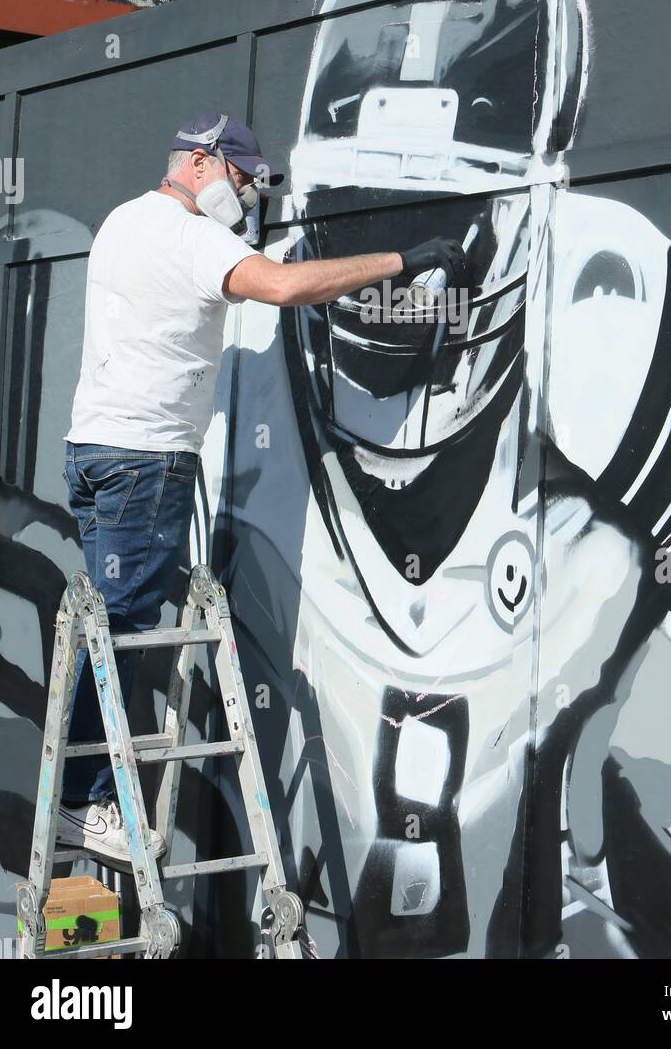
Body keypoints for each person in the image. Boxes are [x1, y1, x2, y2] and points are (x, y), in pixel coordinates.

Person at [55, 109, 466, 868]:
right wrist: (401, 262)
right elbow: (280, 286)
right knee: (114, 635)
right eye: (242, 180)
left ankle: (80, 796)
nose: (244, 198)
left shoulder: (122, 221)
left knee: (107, 625)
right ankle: (81, 803)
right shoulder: (191, 236)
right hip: (145, 464)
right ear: (204, 163)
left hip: (95, 453)